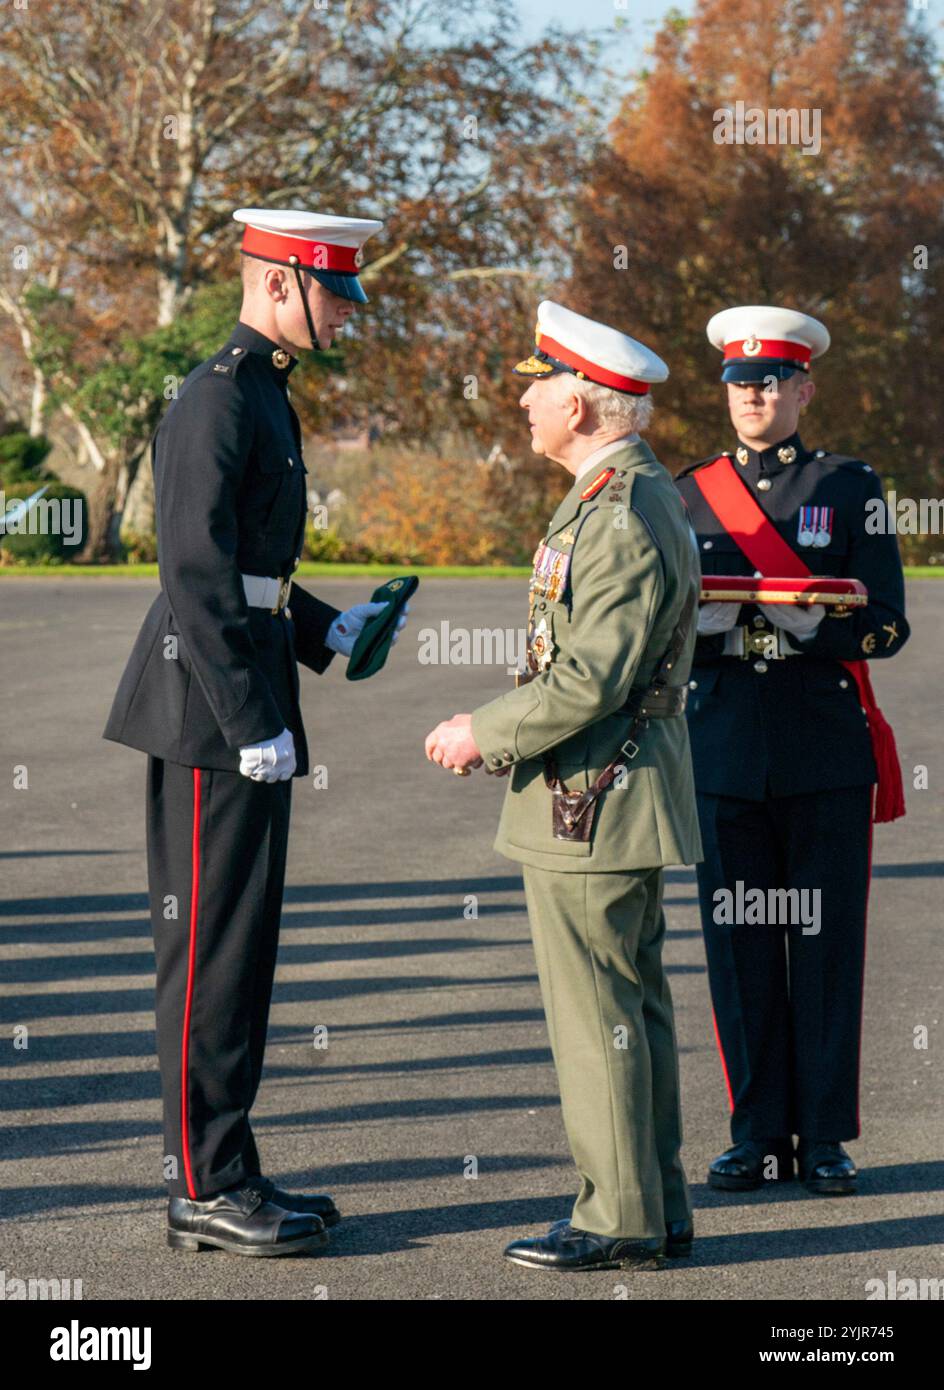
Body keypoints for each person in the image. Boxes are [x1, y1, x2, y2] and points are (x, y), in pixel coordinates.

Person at [104, 207, 408, 1257]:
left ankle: (230, 1164)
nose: (344, 314)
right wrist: (248, 718)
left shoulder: (265, 393)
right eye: (333, 293)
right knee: (206, 956)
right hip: (207, 715)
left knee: (244, 952)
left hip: (244, 703)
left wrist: (333, 630)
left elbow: (252, 571)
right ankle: (201, 1183)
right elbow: (189, 569)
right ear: (280, 283)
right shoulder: (218, 396)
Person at [425, 301, 702, 1272]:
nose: (523, 398)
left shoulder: (622, 510)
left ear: (581, 403)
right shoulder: (614, 495)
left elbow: (591, 676)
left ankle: (617, 1217)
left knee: (598, 1014)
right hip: (602, 791)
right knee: (625, 1004)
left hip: (593, 793)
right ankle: (651, 1205)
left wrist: (481, 734)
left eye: (537, 383)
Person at [675, 305, 909, 1197]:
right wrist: (695, 626)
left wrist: (817, 628)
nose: (755, 395)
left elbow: (887, 624)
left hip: (820, 747)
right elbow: (654, 623)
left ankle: (824, 1138)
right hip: (725, 744)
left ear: (804, 388)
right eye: (741, 381)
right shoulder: (688, 490)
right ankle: (756, 1135)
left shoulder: (850, 486)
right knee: (737, 951)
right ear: (725, 388)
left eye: (773, 381)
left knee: (823, 947)